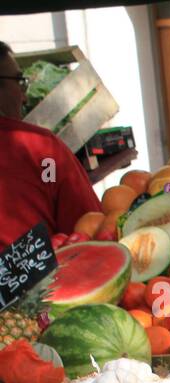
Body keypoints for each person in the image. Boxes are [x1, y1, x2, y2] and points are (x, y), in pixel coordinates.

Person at [0, 41, 102, 247]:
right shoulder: (43, 151)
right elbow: (90, 230)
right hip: (41, 277)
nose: (24, 96)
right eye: (19, 81)